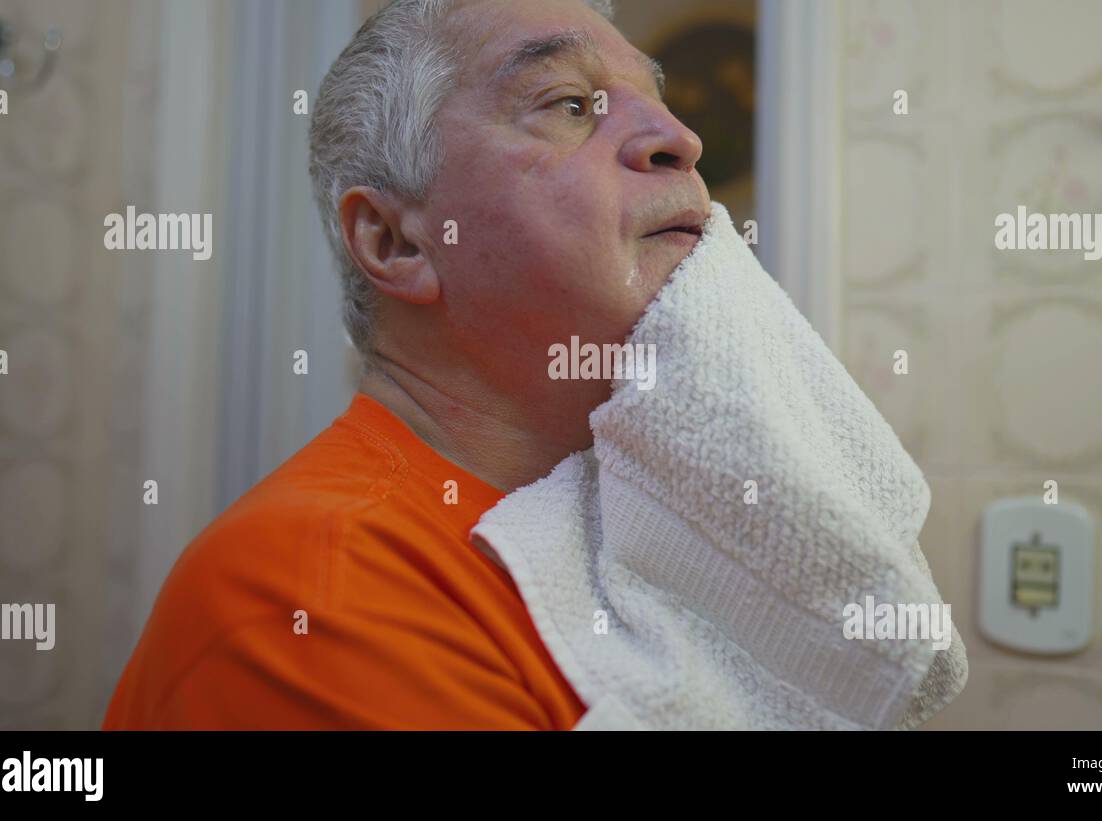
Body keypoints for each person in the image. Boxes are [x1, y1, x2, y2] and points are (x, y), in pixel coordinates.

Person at [103, 0, 710, 730]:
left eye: (658, 100)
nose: (681, 140)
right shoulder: (306, 593)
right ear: (396, 242)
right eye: (573, 104)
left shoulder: (675, 545)